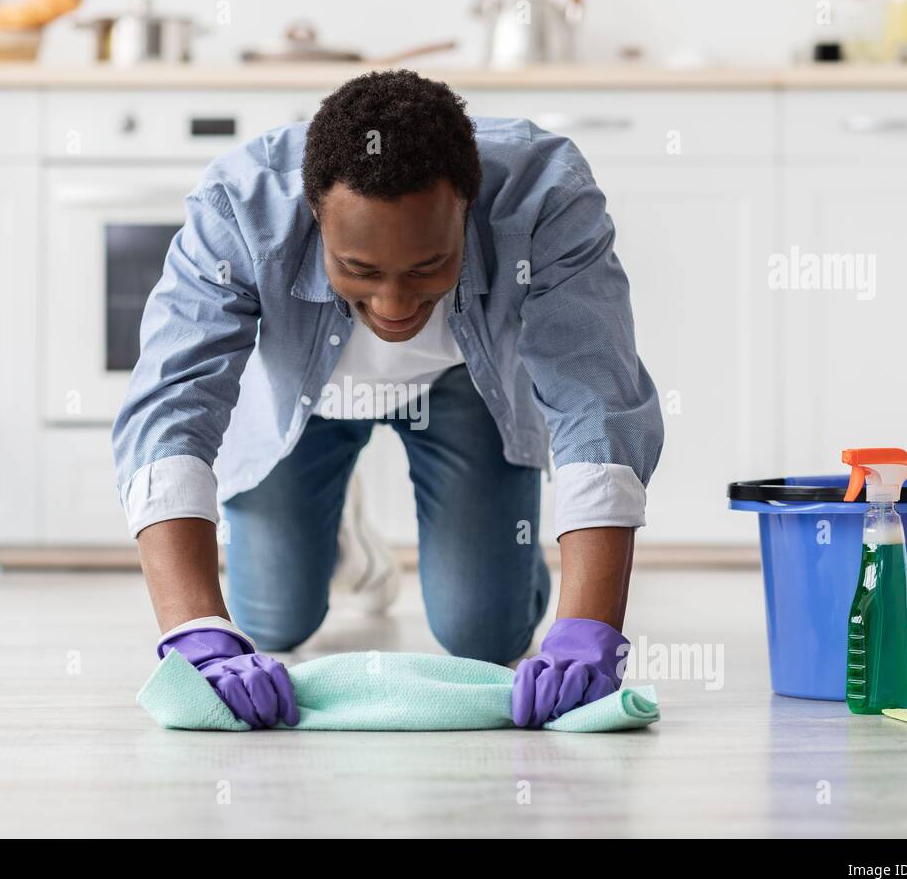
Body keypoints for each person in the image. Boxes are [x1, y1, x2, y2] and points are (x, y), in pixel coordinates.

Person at [112, 70, 664, 729]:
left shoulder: (545, 195)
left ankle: (494, 562)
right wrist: (194, 631)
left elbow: (593, 398)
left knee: (485, 635)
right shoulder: (240, 205)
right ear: (315, 217)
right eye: (361, 271)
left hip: (464, 387)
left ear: (469, 204)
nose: (394, 305)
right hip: (301, 401)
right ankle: (346, 538)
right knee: (273, 619)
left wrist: (586, 628)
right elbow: (171, 402)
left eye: (428, 266)